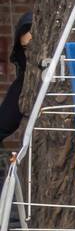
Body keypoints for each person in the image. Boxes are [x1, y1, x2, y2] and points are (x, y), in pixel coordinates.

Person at [0, 12, 33, 145]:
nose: (29, 54)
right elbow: (3, 124)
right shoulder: (25, 82)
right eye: (25, 48)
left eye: (32, 47)